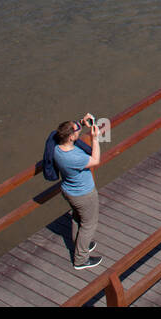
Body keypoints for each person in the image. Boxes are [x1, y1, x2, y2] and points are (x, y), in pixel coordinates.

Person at [52, 115, 104, 270]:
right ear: (70, 137)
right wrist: (95, 139)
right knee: (89, 224)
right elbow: (95, 160)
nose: (78, 132)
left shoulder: (56, 148)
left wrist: (81, 122)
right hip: (84, 194)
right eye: (76, 131)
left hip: (69, 191)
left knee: (77, 218)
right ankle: (81, 259)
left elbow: (70, 131)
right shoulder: (74, 157)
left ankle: (81, 244)